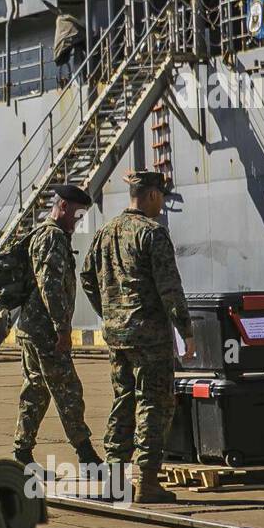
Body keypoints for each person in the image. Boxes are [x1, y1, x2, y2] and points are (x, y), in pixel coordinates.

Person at [80, 171, 196, 503]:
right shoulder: (153, 234)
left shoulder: (105, 232)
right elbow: (170, 289)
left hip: (118, 336)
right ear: (150, 196)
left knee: (123, 400)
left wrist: (110, 312)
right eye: (160, 195)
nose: (162, 202)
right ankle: (147, 481)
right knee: (154, 402)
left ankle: (115, 480)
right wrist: (186, 332)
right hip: (149, 336)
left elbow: (87, 276)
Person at [13, 184, 103, 469]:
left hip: (31, 328)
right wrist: (62, 328)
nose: (78, 222)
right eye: (76, 215)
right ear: (62, 206)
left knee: (36, 390)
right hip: (45, 333)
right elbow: (49, 286)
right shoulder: (52, 237)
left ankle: (22, 452)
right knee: (67, 390)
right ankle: (86, 454)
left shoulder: (42, 234)